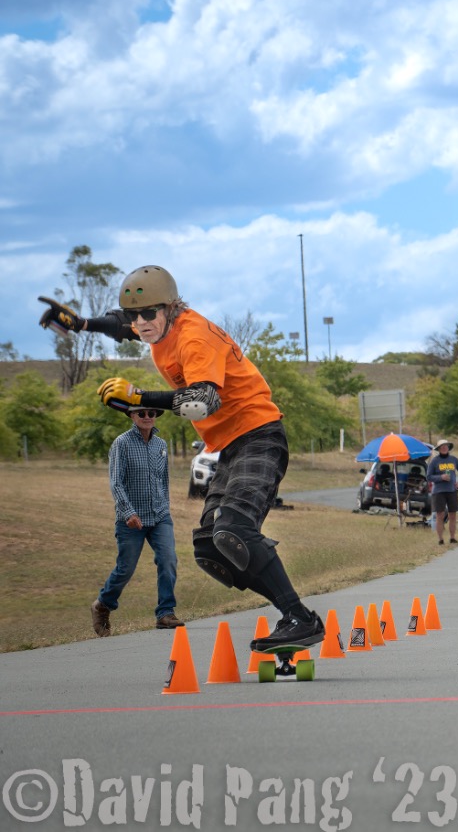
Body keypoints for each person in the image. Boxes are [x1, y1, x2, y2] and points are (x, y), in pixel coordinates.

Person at [42, 266, 324, 652]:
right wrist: (81, 323)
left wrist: (141, 398)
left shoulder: (193, 338)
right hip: (231, 446)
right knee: (210, 547)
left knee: (235, 531)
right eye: (134, 315)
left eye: (149, 314)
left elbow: (202, 401)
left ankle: (299, 619)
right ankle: (296, 617)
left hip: (259, 435)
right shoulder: (158, 327)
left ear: (171, 308)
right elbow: (122, 326)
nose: (140, 324)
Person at [91, 406, 183, 636]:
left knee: (168, 559)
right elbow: (116, 482)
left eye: (151, 413)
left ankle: (165, 613)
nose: (147, 417)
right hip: (131, 519)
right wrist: (128, 512)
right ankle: (103, 604)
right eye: (141, 413)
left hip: (160, 516)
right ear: (132, 416)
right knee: (126, 569)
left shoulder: (161, 445)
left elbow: (164, 481)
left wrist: (165, 506)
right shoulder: (121, 443)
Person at [428, 440, 458, 544]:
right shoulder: (435, 461)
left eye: (446, 446)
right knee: (440, 514)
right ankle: (440, 539)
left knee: (453, 514)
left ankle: (452, 537)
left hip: (452, 490)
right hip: (439, 491)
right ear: (438, 449)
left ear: (448, 448)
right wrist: (441, 477)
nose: (444, 448)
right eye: (442, 446)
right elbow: (429, 477)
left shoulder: (453, 459)